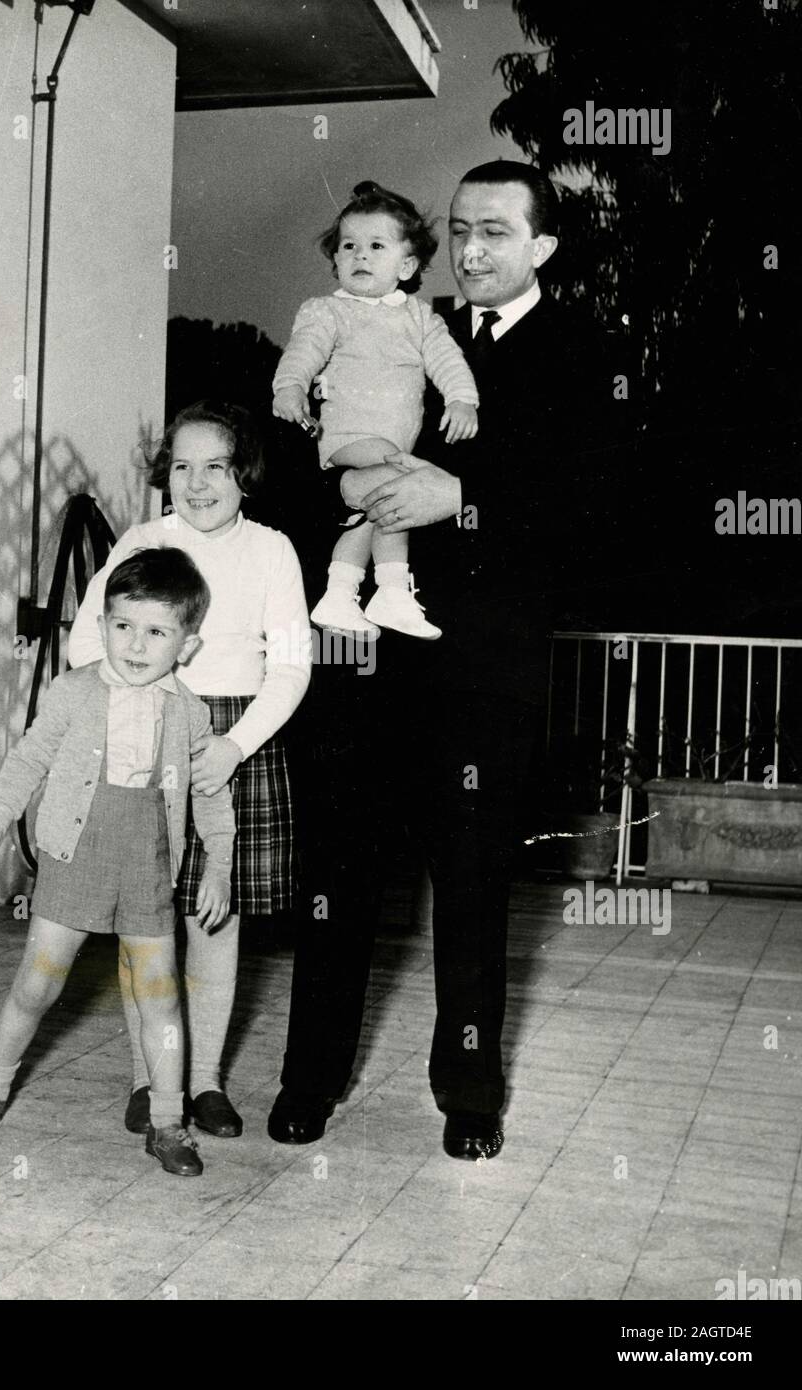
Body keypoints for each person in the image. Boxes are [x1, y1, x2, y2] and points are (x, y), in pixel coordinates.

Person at [270, 160, 627, 1160]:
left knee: (471, 887)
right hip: (369, 663)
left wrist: (458, 500)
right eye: (460, 231)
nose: (471, 251)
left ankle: (469, 1095)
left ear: (542, 246)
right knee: (336, 877)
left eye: (496, 234)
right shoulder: (391, 319)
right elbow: (311, 457)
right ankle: (309, 1079)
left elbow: (599, 518)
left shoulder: (584, 350)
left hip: (483, 674)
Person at [69, 400, 311, 1143]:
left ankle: (204, 1080)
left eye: (216, 467)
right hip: (148, 735)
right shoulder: (143, 539)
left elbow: (293, 666)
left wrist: (234, 745)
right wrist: (150, 713)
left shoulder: (272, 550)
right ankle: (150, 1077)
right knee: (146, 916)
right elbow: (86, 646)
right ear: (163, 473)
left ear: (245, 475)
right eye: (181, 466)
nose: (197, 483)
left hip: (235, 739)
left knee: (216, 916)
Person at [0, 548, 236, 1177]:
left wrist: (220, 863)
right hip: (75, 853)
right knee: (38, 982)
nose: (136, 644)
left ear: (186, 646)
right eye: (122, 625)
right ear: (102, 624)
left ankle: (168, 1121)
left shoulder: (190, 712)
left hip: (146, 862)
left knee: (161, 995)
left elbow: (211, 793)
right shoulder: (74, 691)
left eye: (157, 631)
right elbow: (28, 759)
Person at [272, 180, 478, 640]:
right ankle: (391, 590)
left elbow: (447, 360)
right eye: (349, 247)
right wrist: (289, 388)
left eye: (375, 246)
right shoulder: (328, 312)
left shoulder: (421, 317)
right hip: (348, 436)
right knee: (397, 490)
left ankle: (340, 595)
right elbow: (302, 352)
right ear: (336, 262)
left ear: (406, 265)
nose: (360, 256)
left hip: (393, 444)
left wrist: (462, 399)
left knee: (374, 507)